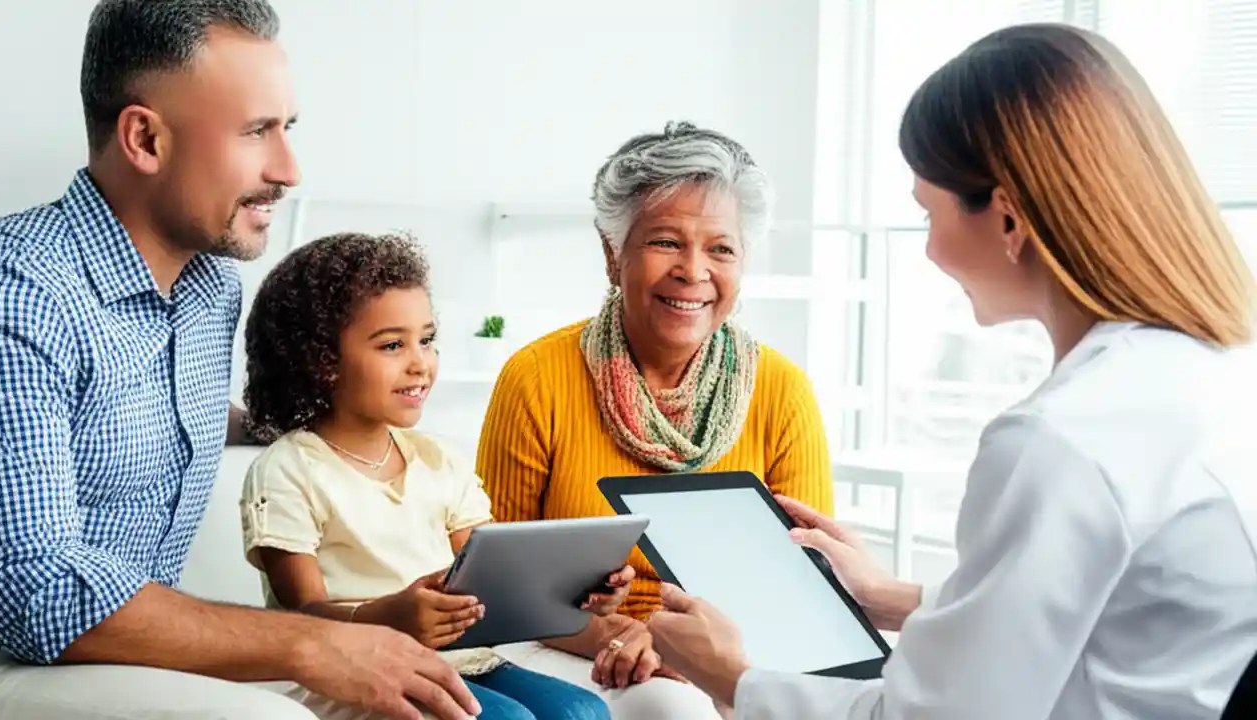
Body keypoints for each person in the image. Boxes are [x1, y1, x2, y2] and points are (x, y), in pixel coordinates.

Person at [644, 23, 1257, 720]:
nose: (930, 251)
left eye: (927, 213)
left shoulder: (1058, 441)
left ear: (1007, 219)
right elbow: (1120, 620)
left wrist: (732, 678)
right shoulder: (1219, 378)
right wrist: (898, 599)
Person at [0, 2, 478, 718]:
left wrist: (311, 426)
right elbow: (31, 585)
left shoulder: (210, 287)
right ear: (145, 137)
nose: (288, 168)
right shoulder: (13, 292)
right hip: (1, 653)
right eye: (255, 132)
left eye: (288, 128)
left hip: (128, 650)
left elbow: (161, 413)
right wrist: (306, 643)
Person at [475, 121, 835, 719]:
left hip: (738, 649)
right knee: (672, 707)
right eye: (666, 242)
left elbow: (808, 586)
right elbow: (501, 589)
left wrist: (697, 651)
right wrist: (620, 634)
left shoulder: (781, 389)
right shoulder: (537, 376)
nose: (693, 271)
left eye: (721, 248)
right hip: (573, 645)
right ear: (612, 253)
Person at [239, 231, 628, 720]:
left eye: (426, 340)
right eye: (391, 345)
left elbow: (498, 580)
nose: (420, 363)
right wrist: (390, 618)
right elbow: (304, 618)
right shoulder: (288, 469)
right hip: (355, 669)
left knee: (582, 711)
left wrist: (578, 592)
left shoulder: (438, 460)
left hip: (462, 661)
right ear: (321, 361)